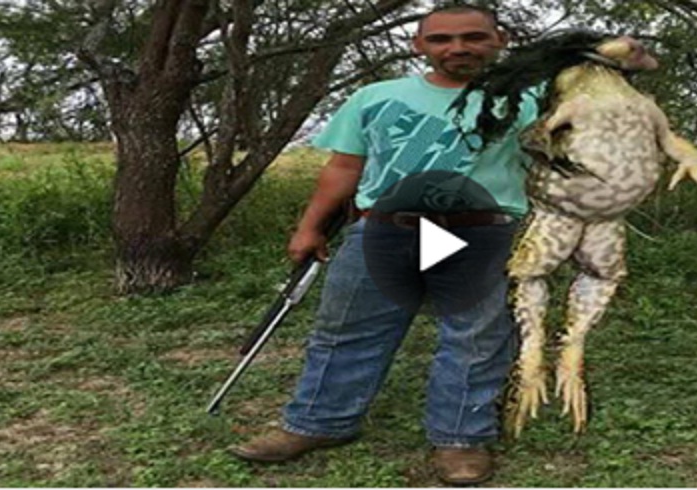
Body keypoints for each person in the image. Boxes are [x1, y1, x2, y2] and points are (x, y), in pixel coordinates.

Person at [228, 4, 538, 485]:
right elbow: (344, 168)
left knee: (476, 339)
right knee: (347, 331)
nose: (457, 48)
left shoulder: (532, 98)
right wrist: (309, 226)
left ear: (498, 39)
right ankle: (317, 423)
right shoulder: (376, 96)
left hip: (480, 231)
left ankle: (460, 439)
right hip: (384, 228)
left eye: (473, 37)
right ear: (419, 45)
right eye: (441, 39)